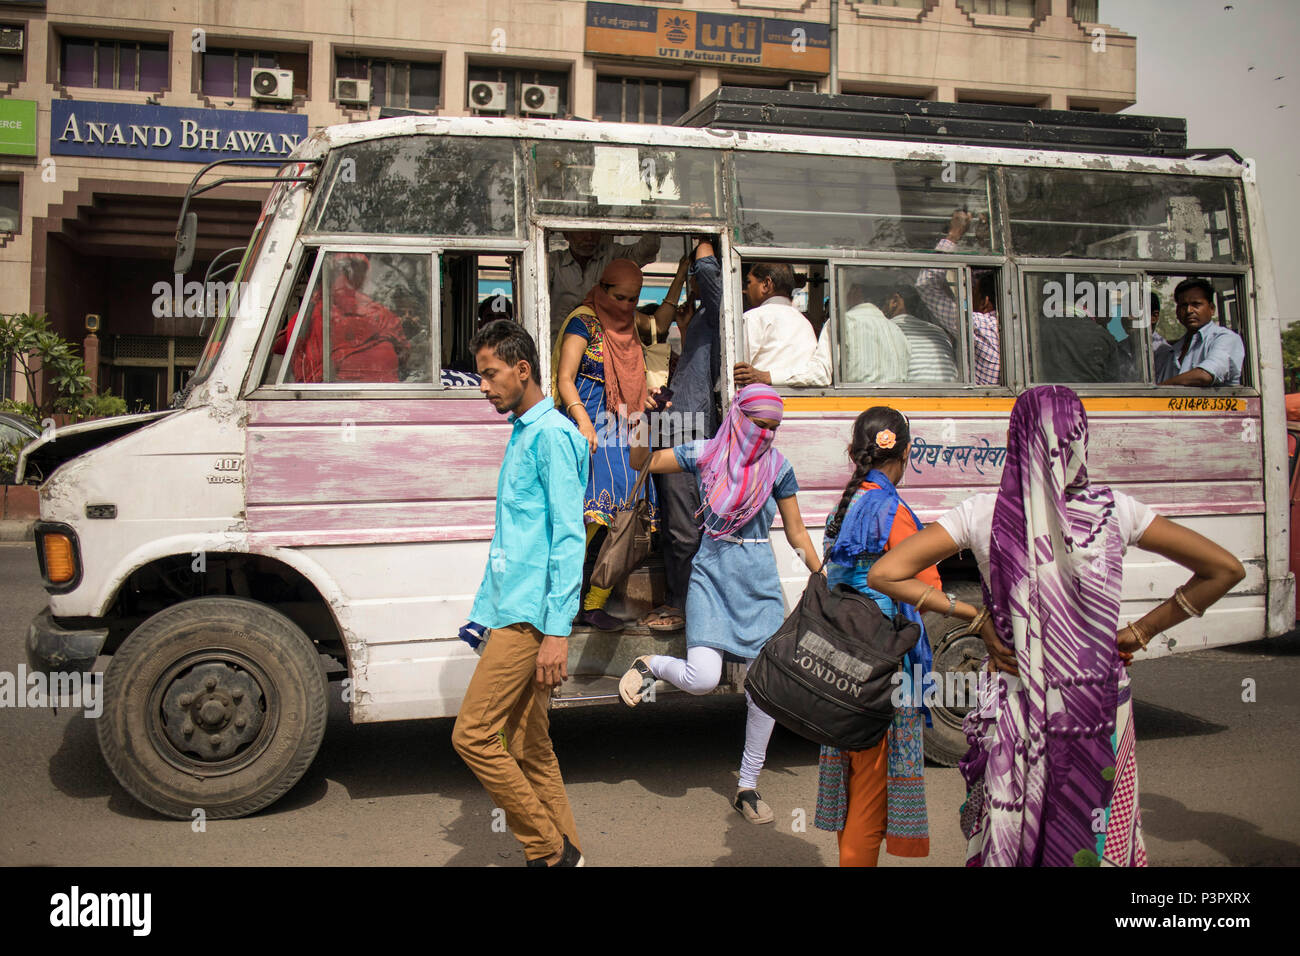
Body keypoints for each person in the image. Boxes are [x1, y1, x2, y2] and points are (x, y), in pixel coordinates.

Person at [867, 385, 1245, 866]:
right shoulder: (1116, 511)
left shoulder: (984, 514)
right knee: (1091, 837)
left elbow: (885, 573)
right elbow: (1225, 570)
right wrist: (1140, 632)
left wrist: (976, 618)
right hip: (1098, 707)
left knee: (1014, 841)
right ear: (1080, 438)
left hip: (1017, 705)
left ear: (1016, 438)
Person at [622, 384, 823, 824]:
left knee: (763, 694)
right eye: (759, 424)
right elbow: (642, 463)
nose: (766, 435)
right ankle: (650, 665)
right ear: (738, 416)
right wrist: (642, 422)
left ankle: (747, 786)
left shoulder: (778, 468)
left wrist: (818, 570)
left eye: (774, 428)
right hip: (711, 575)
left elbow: (795, 531)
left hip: (758, 584)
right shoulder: (704, 454)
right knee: (702, 679)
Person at [451, 319, 590, 868]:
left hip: (530, 618)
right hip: (509, 609)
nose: (483, 387)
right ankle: (569, 856)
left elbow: (568, 537)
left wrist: (557, 631)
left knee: (473, 735)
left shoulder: (551, 435)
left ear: (523, 369)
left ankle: (546, 848)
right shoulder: (523, 432)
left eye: (490, 375)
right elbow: (512, 538)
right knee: (531, 747)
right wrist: (481, 613)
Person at [813, 407, 936, 866]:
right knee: (869, 799)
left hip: (840, 661)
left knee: (852, 791)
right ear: (905, 452)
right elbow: (928, 589)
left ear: (854, 453)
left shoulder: (842, 507)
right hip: (883, 671)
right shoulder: (891, 510)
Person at [553, 258, 659, 631]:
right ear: (603, 288)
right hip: (589, 434)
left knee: (627, 523)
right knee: (587, 524)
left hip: (627, 432)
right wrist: (583, 422)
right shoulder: (584, 322)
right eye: (620, 297)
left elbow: (658, 329)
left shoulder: (630, 328)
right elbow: (566, 379)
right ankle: (564, 605)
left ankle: (595, 605)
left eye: (634, 299)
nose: (627, 306)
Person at [641, 239, 722, 633]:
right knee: (674, 526)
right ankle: (679, 599)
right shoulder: (703, 318)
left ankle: (690, 612)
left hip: (692, 436)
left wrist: (703, 239)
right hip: (675, 426)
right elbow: (694, 382)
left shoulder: (722, 306)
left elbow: (709, 273)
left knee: (684, 530)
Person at [274, 253, 410, 382]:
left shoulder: (303, 319)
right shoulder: (381, 314)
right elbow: (404, 354)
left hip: (327, 399)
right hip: (382, 397)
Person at [916, 211, 1001, 385]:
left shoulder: (981, 327)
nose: (967, 302)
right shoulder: (1014, 327)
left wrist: (953, 236)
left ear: (985, 302)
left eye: (973, 295)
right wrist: (982, 241)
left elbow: (927, 285)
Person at [549, 231, 661, 343]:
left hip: (602, 345)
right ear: (567, 235)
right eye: (581, 232)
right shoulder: (554, 262)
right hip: (557, 345)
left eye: (595, 231)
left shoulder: (611, 255)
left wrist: (647, 215)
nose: (589, 237)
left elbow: (647, 249)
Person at [734, 263, 821, 387]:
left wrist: (767, 377)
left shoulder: (753, 317)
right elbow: (811, 373)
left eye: (748, 282)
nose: (744, 290)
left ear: (766, 284)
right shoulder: (805, 322)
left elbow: (738, 371)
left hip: (760, 401)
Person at [1155, 277, 1245, 386]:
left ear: (1212, 308)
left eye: (1196, 304)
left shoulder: (1225, 338)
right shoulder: (1174, 350)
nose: (1189, 311)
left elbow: (1205, 375)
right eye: (1183, 305)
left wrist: (1159, 389)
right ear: (1177, 311)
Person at [877, 280, 959, 383]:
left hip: (915, 395)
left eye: (883, 303)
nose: (881, 309)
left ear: (895, 301)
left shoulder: (888, 329)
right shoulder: (939, 331)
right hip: (951, 395)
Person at [836, 284, 911, 383]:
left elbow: (823, 372)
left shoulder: (843, 322)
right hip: (893, 397)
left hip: (854, 397)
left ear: (855, 291)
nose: (838, 297)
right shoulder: (897, 330)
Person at [1037, 305, 1123, 383]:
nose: (1109, 317)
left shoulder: (1037, 328)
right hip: (1094, 397)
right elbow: (1113, 383)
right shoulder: (1104, 335)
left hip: (1048, 396)